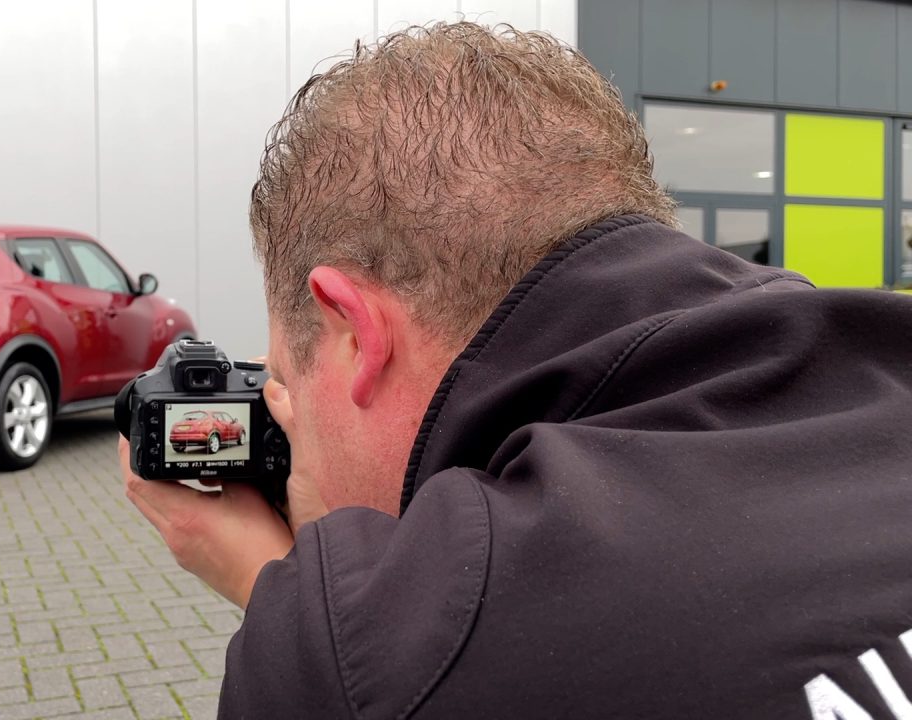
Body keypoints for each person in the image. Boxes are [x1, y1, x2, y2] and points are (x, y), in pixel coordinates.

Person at [120, 22, 912, 719]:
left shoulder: (380, 661)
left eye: (292, 384)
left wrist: (297, 605)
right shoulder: (884, 351)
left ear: (355, 332)